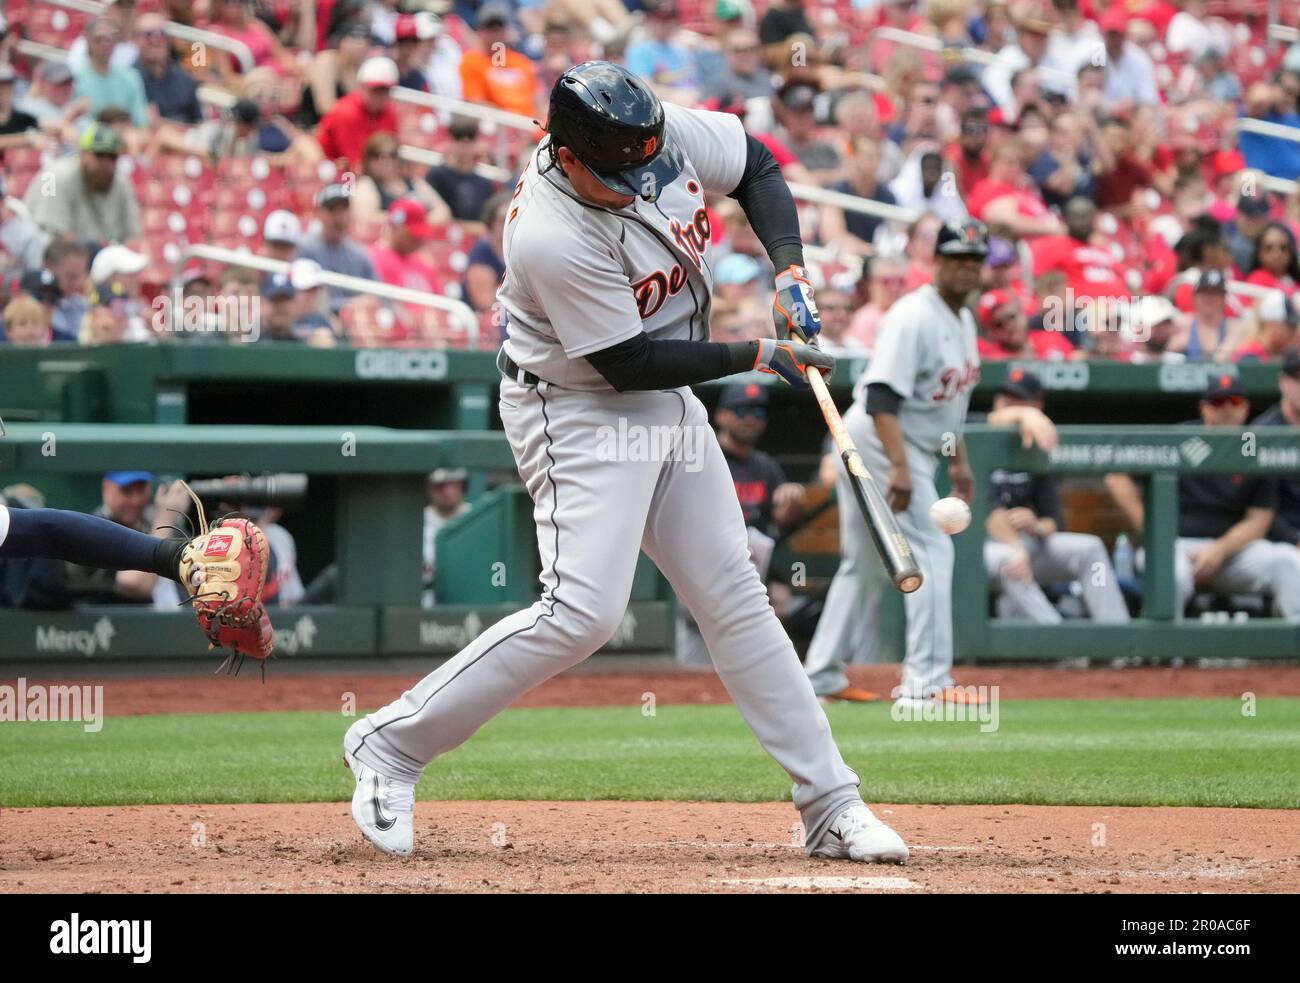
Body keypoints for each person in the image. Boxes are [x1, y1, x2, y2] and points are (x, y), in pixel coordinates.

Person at [342, 61, 908, 865]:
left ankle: (831, 803)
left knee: (736, 597)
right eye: (621, 175)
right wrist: (757, 350)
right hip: (575, 403)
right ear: (566, 155)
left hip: (664, 394)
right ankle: (389, 746)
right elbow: (626, 362)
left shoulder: (651, 136)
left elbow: (757, 164)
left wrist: (789, 270)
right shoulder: (549, 229)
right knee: (584, 611)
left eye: (647, 165)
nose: (643, 184)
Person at [803, 219, 986, 709]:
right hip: (882, 441)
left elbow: (950, 406)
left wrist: (961, 463)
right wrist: (902, 469)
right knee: (932, 552)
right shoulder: (913, 316)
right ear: (937, 262)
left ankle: (820, 675)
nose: (967, 269)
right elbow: (882, 395)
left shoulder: (964, 320)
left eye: (975, 261)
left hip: (902, 444)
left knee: (861, 564)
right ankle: (925, 684)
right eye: (957, 259)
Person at [1105, 375, 1300, 621]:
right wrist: (1151, 529)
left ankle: (1289, 649)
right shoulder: (1180, 439)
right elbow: (1116, 475)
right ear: (1204, 408)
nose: (1227, 409)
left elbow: (1259, 519)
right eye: (1218, 402)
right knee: (1170, 575)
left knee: (1289, 562)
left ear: (1246, 408)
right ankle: (1167, 655)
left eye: (1235, 401)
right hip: (1175, 546)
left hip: (1232, 551)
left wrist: (1219, 550)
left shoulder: (1254, 446)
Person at [981, 371, 1129, 624]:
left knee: (1090, 549)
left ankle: (1117, 637)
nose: (1007, 403)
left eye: (1017, 399)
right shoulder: (978, 431)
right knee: (1012, 562)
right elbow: (988, 510)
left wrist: (1035, 525)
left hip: (1024, 542)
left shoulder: (1036, 447)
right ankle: (1057, 641)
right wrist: (1025, 414)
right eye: (1004, 397)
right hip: (981, 547)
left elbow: (1054, 521)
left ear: (1038, 404)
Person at [676, 383, 807, 665]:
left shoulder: (766, 466)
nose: (750, 418)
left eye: (758, 411)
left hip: (751, 577)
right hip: (703, 570)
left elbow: (779, 531)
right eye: (741, 410)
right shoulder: (703, 458)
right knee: (695, 674)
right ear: (721, 415)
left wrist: (791, 508)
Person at [24, 124, 141, 246]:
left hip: (103, 256)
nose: (106, 163)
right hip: (53, 255)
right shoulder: (52, 176)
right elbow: (51, 234)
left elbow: (133, 234)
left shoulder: (121, 182)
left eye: (112, 157)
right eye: (99, 155)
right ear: (83, 153)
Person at [296, 184, 379, 313]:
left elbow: (377, 294)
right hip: (316, 319)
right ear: (319, 213)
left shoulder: (359, 255)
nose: (339, 218)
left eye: (343, 210)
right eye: (332, 210)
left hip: (353, 322)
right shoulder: (305, 248)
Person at [351, 132, 452, 230]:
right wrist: (409, 220)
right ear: (368, 160)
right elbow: (366, 219)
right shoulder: (366, 184)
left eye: (391, 155)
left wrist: (418, 222)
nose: (385, 162)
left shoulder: (412, 182)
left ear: (398, 159)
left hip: (419, 239)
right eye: (377, 156)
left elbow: (443, 210)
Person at [1251, 349, 1300, 548]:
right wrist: (1295, 539)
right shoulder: (1259, 432)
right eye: (1296, 379)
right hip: (1277, 540)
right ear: (1283, 382)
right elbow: (1255, 506)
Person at [316, 57, 400, 171]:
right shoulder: (346, 112)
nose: (379, 95)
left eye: (384, 90)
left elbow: (391, 154)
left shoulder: (388, 113)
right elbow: (356, 164)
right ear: (361, 87)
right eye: (374, 90)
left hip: (363, 173)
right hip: (331, 173)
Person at [458, 5, 541, 118]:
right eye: (490, 28)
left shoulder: (521, 61)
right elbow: (475, 102)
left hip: (530, 125)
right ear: (480, 31)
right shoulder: (471, 61)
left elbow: (538, 98)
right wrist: (510, 119)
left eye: (499, 28)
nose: (495, 34)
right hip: (497, 125)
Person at [73, 18, 149, 128]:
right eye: (99, 39)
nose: (105, 44)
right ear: (87, 39)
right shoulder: (74, 77)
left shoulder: (131, 77)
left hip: (126, 137)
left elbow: (141, 119)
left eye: (110, 39)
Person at [425, 116, 497, 225]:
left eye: (470, 139)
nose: (465, 145)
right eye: (459, 138)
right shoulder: (436, 175)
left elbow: (485, 223)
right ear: (450, 140)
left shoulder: (484, 183)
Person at [134, 12, 201, 124]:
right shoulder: (129, 79)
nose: (156, 41)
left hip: (187, 136)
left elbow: (198, 121)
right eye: (149, 35)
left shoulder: (183, 77)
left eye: (162, 35)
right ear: (135, 40)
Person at [975, 288, 1075, 360]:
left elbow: (1078, 358)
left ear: (1022, 313)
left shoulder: (1051, 338)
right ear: (990, 332)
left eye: (1011, 317)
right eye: (999, 324)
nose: (1009, 326)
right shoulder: (989, 354)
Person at [421, 467, 472, 607]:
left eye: (453, 485)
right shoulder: (418, 521)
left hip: (470, 600)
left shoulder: (477, 517)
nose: (447, 492)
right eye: (440, 486)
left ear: (463, 486)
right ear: (429, 488)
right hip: (428, 603)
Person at [463, 192, 508, 314]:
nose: (510, 223)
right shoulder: (481, 253)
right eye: (504, 219)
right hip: (486, 320)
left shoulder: (518, 252)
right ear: (491, 222)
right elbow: (485, 302)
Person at [1234, 290, 1299, 362]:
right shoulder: (1250, 356)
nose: (1293, 332)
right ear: (1273, 325)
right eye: (1290, 326)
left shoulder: (1276, 353)